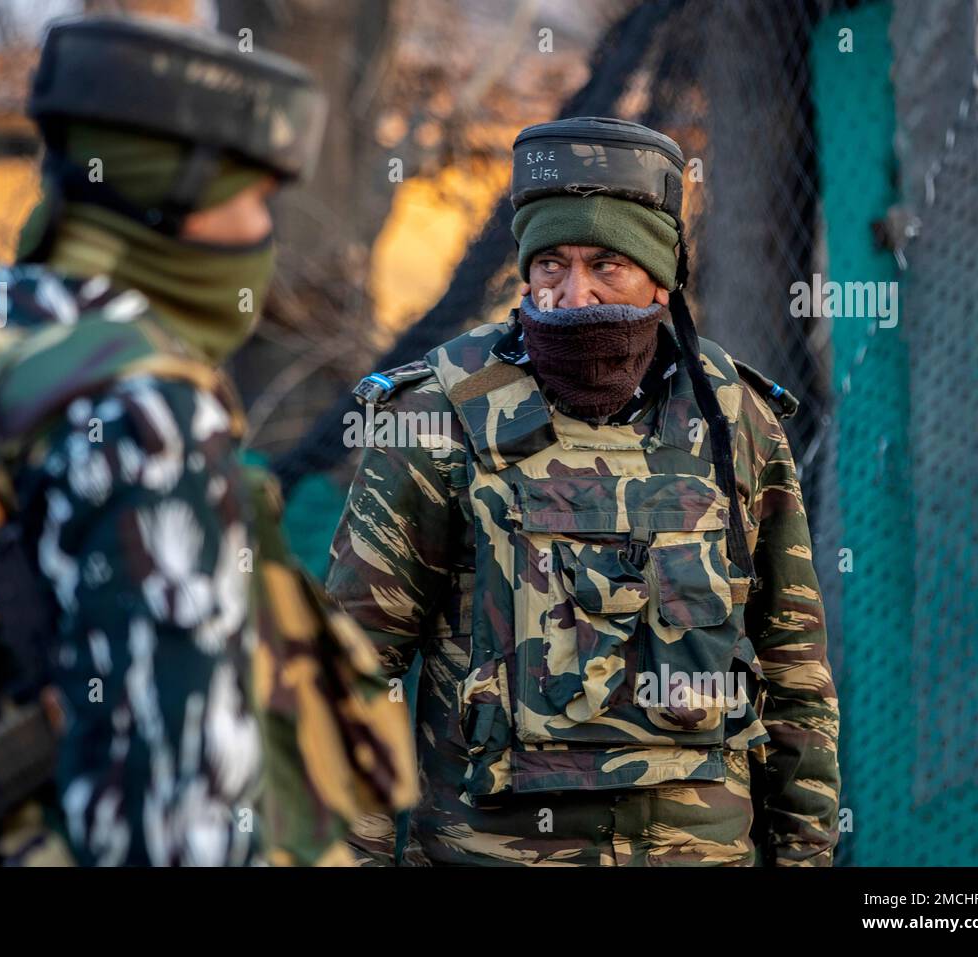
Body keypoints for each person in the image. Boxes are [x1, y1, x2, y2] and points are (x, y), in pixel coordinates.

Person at [0, 14, 412, 867]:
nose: (263, 230)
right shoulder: (150, 413)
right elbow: (178, 814)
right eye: (248, 199)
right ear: (168, 201)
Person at [326, 117, 841, 866]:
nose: (575, 295)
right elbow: (351, 666)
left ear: (662, 279)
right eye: (550, 267)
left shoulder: (734, 419)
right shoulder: (440, 414)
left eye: (608, 264)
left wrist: (804, 854)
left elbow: (794, 669)